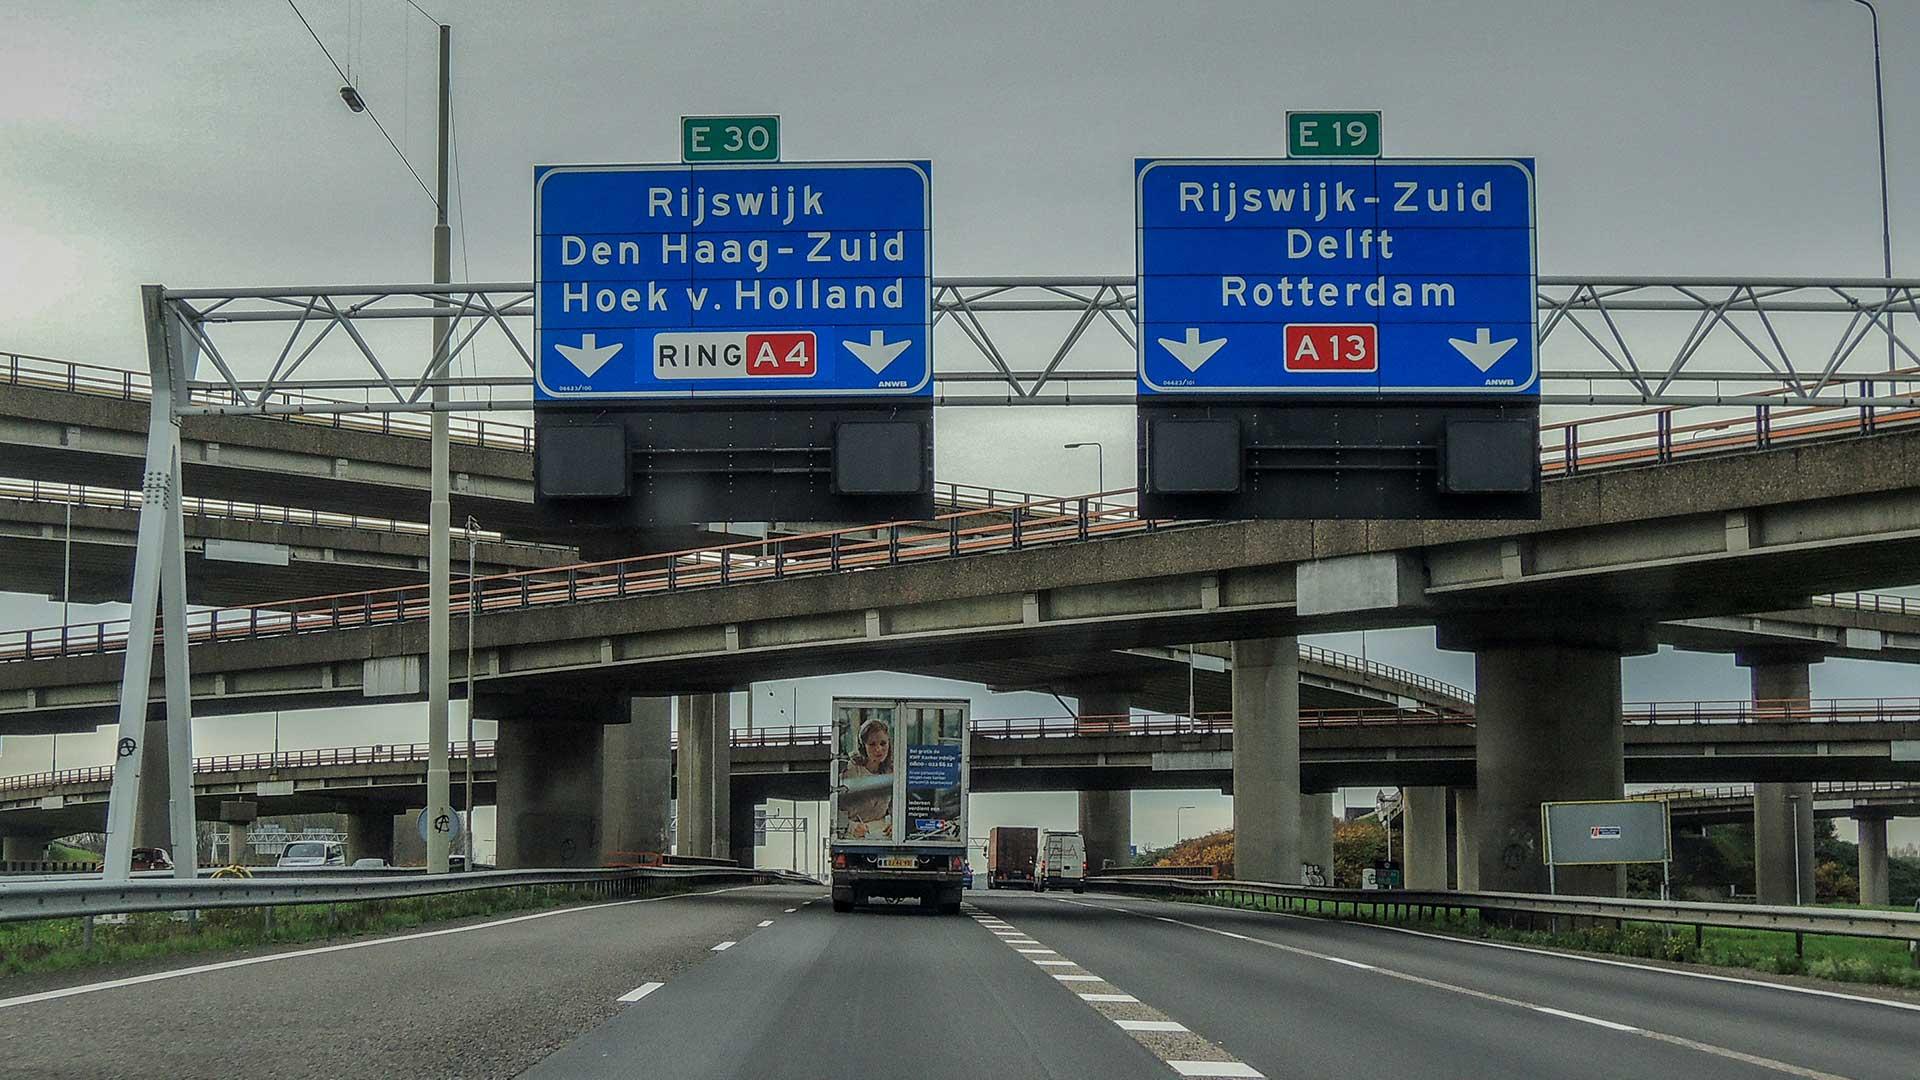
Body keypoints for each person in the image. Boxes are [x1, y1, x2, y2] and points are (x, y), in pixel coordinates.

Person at [842, 716, 894, 838]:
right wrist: (851, 827)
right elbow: (834, 810)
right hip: (854, 836)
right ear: (863, 747)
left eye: (883, 743)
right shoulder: (850, 770)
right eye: (872, 744)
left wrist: (895, 823)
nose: (879, 749)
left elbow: (896, 806)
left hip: (881, 835)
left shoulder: (891, 771)